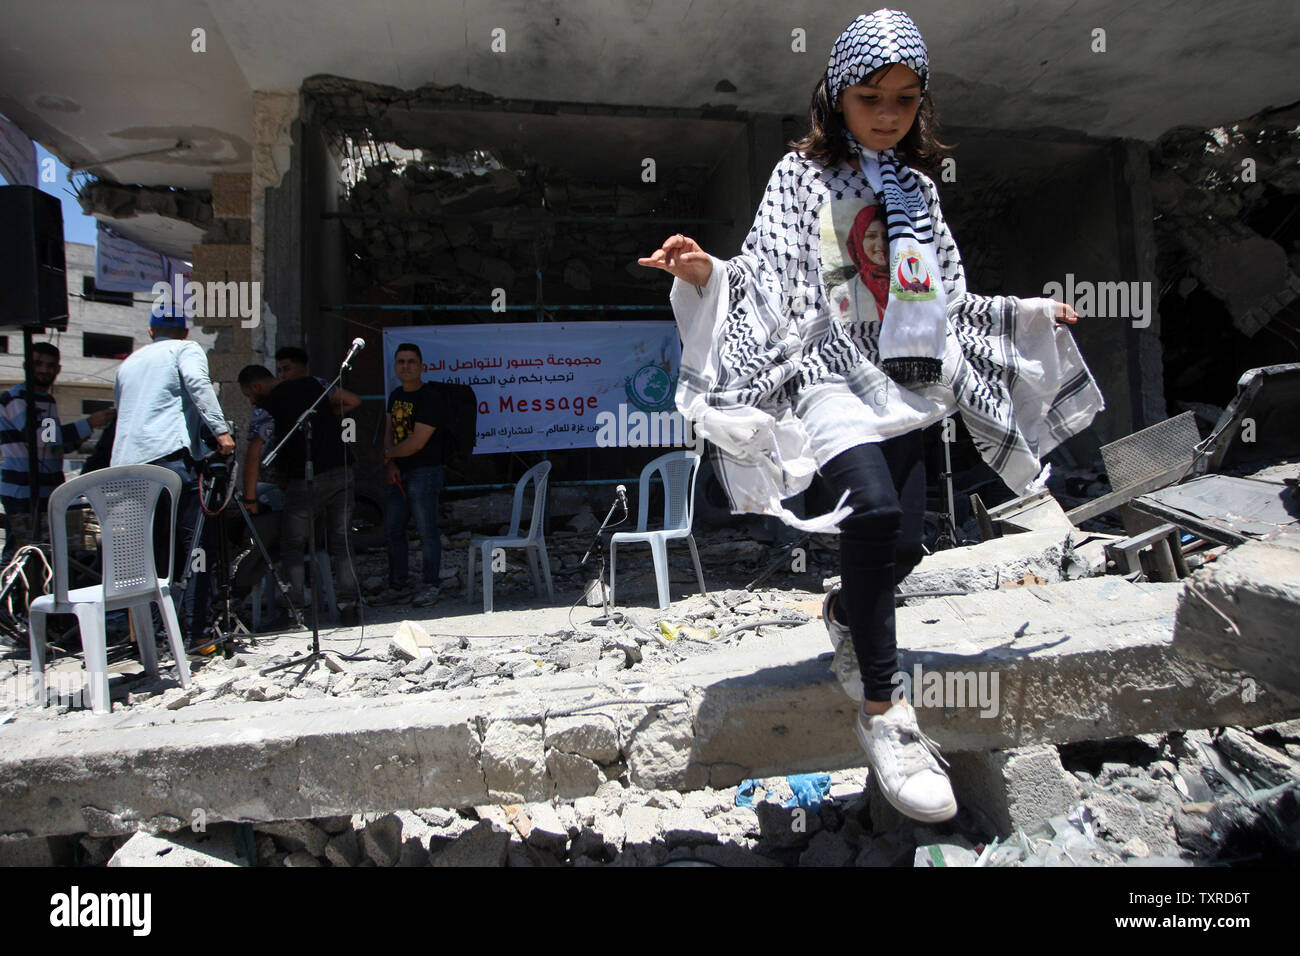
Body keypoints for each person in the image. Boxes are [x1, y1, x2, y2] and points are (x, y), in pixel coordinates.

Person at [639, 9, 1103, 823]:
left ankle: (848, 614)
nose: (888, 114)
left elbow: (949, 299)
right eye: (869, 97)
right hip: (823, 370)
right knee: (875, 512)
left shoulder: (920, 191)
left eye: (905, 98)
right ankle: (884, 712)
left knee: (912, 539)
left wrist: (1028, 313)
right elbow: (765, 274)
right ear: (835, 97)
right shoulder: (800, 177)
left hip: (907, 375)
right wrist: (706, 270)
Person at [112, 309, 234, 644]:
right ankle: (198, 635)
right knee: (196, 547)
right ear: (185, 331)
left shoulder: (128, 364)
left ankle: (150, 639)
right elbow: (198, 385)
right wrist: (221, 433)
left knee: (148, 554)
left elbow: (122, 413)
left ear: (150, 331)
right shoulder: (185, 350)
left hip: (125, 470)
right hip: (170, 462)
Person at [238, 365, 360, 624]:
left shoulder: (267, 407)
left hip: (306, 479)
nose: (250, 400)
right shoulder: (314, 383)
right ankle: (350, 607)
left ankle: (295, 612)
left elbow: (253, 455)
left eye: (248, 395)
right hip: (342, 472)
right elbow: (352, 400)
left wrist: (249, 499)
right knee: (342, 542)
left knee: (292, 545)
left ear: (256, 387)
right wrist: (325, 417)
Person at [0, 343, 114, 564]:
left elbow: (51, 445)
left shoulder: (48, 401)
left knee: (43, 551)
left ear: (58, 369)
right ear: (26, 366)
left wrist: (75, 440)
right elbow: (38, 438)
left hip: (46, 489)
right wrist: (88, 423)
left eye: (50, 365)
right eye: (38, 364)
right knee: (19, 551)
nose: (44, 370)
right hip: (23, 492)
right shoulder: (16, 397)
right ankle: (7, 596)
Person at [374, 343, 448, 608]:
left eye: (411, 362)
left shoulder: (430, 398)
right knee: (394, 531)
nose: (406, 366)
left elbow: (417, 442)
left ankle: (431, 585)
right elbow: (389, 429)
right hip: (398, 473)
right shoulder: (395, 395)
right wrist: (389, 462)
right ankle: (398, 586)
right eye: (401, 362)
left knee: (426, 531)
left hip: (425, 473)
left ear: (421, 367)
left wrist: (390, 454)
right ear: (395, 367)